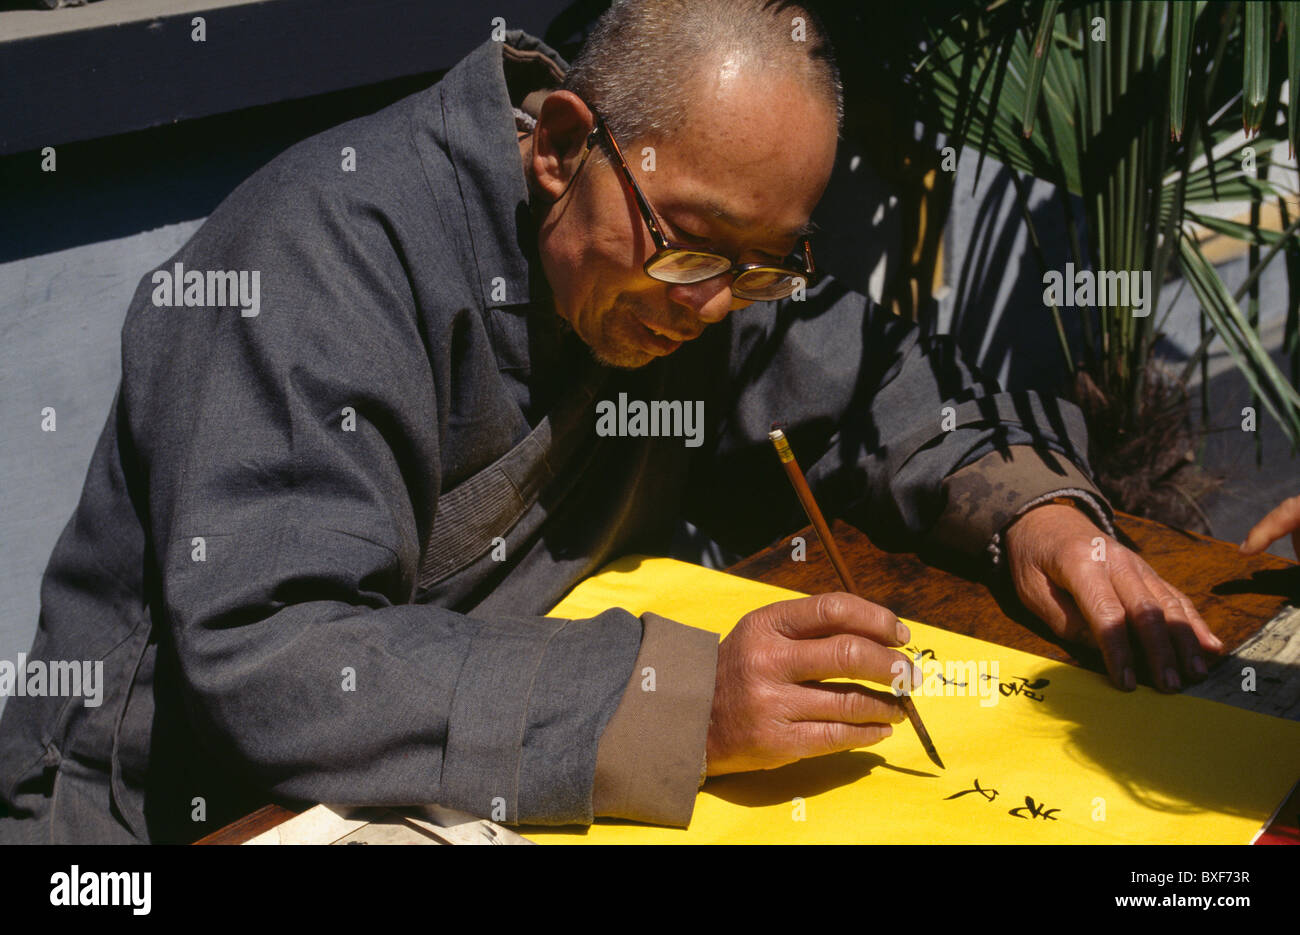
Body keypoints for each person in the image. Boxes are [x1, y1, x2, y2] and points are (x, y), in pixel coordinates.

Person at [0, 0, 1222, 844]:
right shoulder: (318, 261)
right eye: (689, 247)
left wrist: (1042, 518)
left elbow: (876, 392)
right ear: (563, 146)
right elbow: (274, 654)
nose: (709, 307)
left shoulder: (704, 257)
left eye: (760, 266)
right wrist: (670, 697)